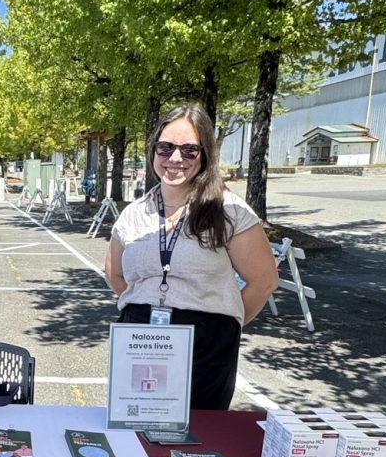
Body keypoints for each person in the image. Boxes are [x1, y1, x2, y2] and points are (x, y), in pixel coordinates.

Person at [104, 104, 278, 410]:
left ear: (205, 155)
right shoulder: (134, 214)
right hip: (141, 341)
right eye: (165, 147)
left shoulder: (229, 211)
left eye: (189, 151)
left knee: (197, 441)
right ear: (153, 150)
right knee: (134, 433)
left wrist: (222, 323)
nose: (175, 159)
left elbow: (263, 282)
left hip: (206, 346)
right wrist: (145, 308)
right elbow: (115, 276)